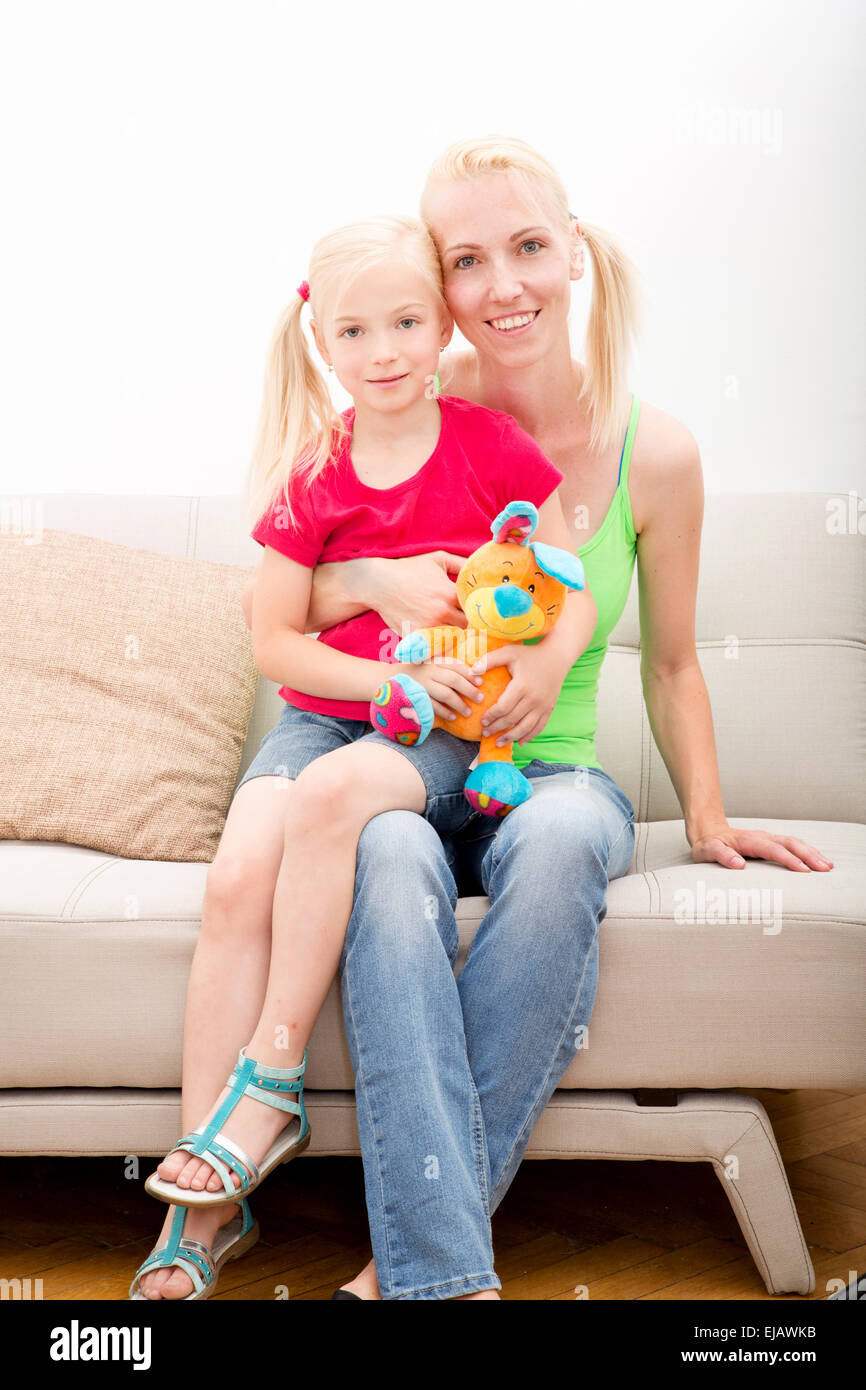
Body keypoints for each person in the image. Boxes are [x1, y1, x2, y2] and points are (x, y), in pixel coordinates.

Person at [144, 133, 835, 1301]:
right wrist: (374, 583)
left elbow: (666, 662)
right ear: (439, 291)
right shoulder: (408, 399)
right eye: (468, 260)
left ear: (574, 252)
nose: (501, 283)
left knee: (562, 842)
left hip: (541, 768)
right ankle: (326, 1227)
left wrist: (711, 823)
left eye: (525, 247)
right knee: (382, 841)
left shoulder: (652, 452)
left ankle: (414, 1263)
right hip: (402, 743)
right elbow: (295, 596)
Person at [130, 211, 595, 1300]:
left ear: (442, 326)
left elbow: (565, 581)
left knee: (339, 794)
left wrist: (537, 667)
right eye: (354, 331)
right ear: (320, 343)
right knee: (239, 869)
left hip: (433, 727)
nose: (383, 351)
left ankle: (276, 1071)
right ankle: (204, 1216)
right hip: (326, 715)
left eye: (404, 322)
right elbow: (272, 643)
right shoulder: (313, 470)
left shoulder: (490, 448)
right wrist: (375, 676)